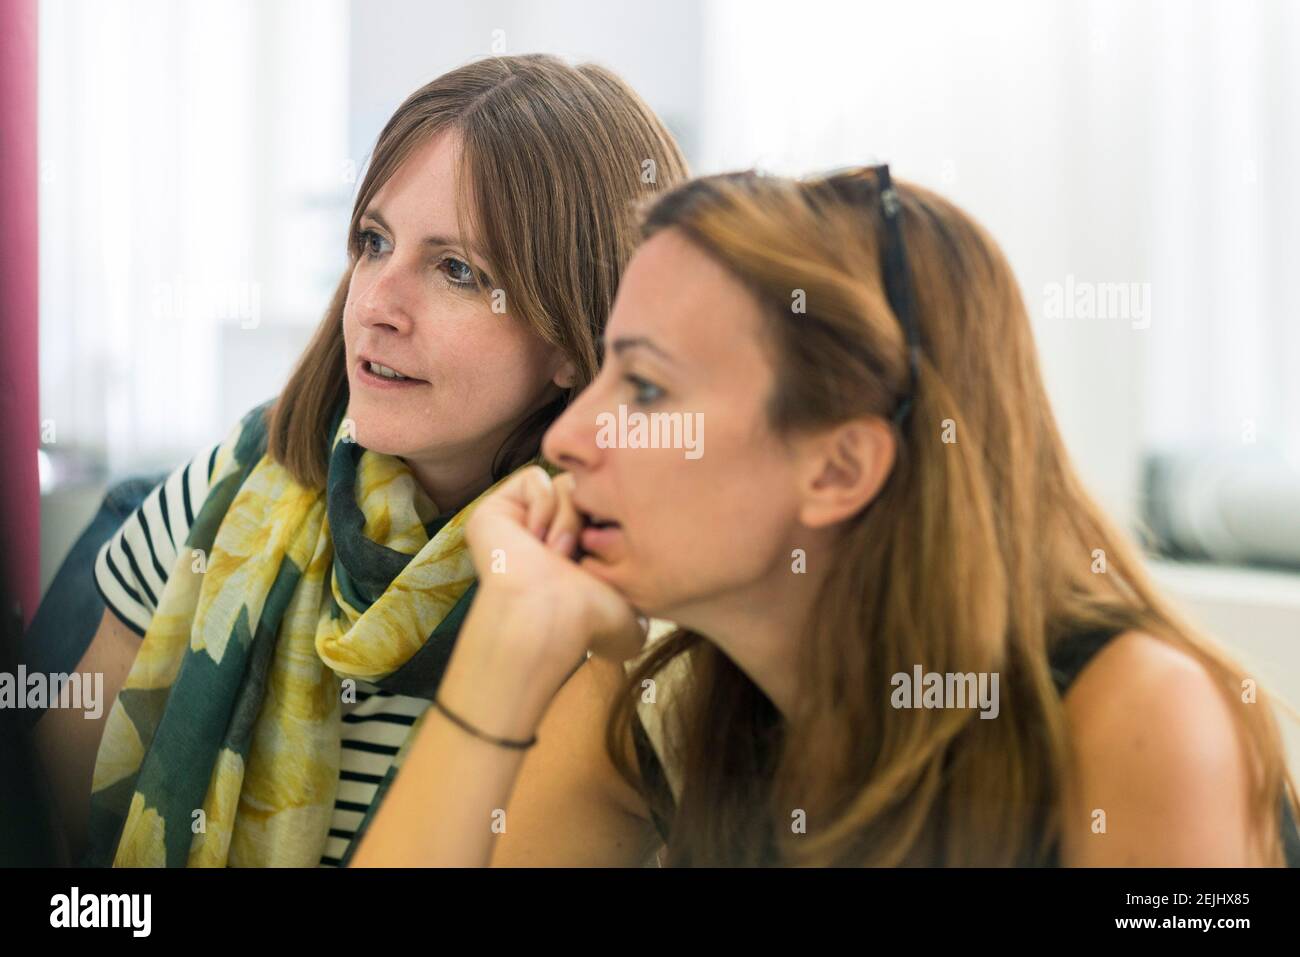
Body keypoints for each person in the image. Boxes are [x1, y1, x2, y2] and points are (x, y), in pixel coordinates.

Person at [352, 166, 1300, 867]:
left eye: (645, 388)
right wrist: (505, 651)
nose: (569, 437)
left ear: (840, 467)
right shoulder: (666, 697)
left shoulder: (1138, 715)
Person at [29, 53, 687, 867]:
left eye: (456, 270)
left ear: (576, 332)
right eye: (374, 242)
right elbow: (48, 834)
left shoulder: (615, 600)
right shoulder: (225, 486)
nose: (374, 303)